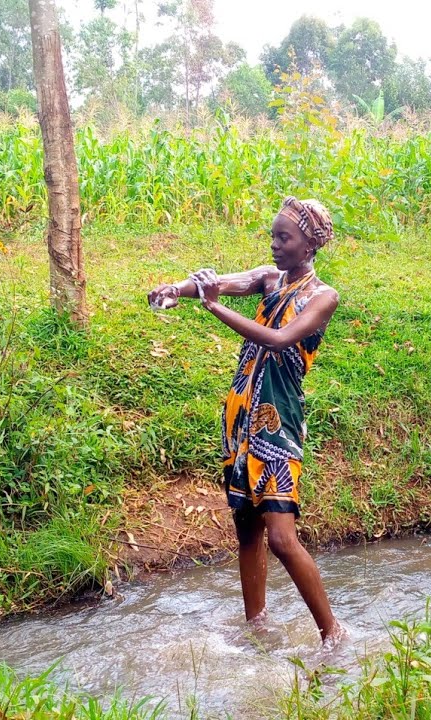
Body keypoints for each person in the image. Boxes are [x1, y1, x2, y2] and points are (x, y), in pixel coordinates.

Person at [148, 196, 345, 647]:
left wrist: (213, 307)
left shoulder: (323, 297)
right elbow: (221, 282)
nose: (274, 245)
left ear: (310, 245)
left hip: (278, 421)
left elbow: (278, 341)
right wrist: (175, 289)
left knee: (280, 536)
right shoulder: (268, 278)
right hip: (240, 416)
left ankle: (333, 634)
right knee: (247, 529)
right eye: (273, 235)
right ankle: (256, 626)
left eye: (284, 237)